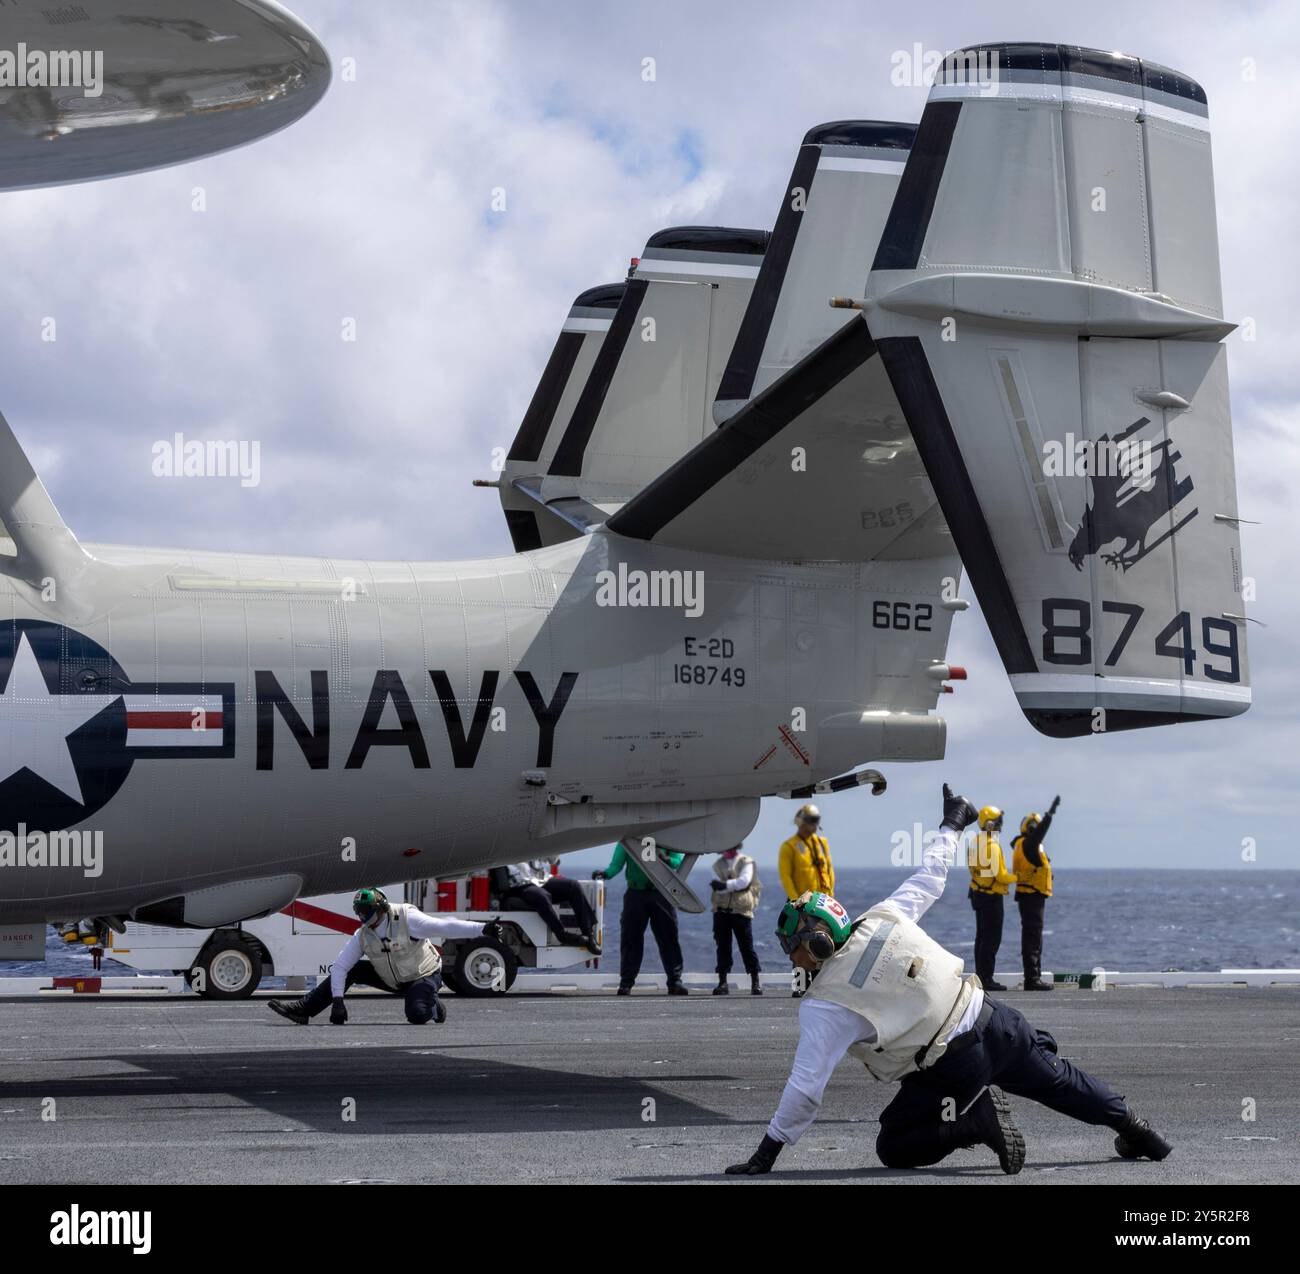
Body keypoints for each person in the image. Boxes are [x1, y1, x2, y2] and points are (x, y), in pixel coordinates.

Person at [724, 785, 1172, 1177]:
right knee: (1062, 1081)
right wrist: (954, 820)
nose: (792, 957)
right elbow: (933, 874)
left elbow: (806, 1088)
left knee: (893, 1145)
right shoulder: (885, 916)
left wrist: (767, 1153)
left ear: (817, 943)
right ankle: (1137, 1130)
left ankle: (971, 1122)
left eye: (793, 946)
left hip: (953, 1066)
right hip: (997, 1022)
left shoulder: (826, 1004)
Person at [267, 887, 500, 1025]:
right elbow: (339, 967)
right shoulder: (363, 934)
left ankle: (435, 1006)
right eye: (359, 912)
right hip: (393, 978)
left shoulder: (408, 919)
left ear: (381, 909)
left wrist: (481, 929)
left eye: (366, 912)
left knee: (417, 1016)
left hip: (422, 975)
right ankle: (304, 1009)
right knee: (354, 969)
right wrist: (338, 1002)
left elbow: (444, 927)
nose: (362, 917)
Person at [593, 841, 687, 995]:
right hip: (636, 893)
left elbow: (677, 861)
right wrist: (606, 874)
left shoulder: (665, 837)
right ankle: (626, 983)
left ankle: (675, 981)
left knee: (668, 939)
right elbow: (616, 864)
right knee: (631, 939)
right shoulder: (629, 839)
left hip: (661, 893)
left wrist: (668, 860)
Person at [496, 859, 601, 954]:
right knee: (542, 896)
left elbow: (553, 859)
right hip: (519, 885)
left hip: (541, 880)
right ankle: (562, 935)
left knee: (574, 887)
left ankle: (589, 935)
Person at [1014, 796, 1061, 992]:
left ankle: (1034, 976)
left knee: (1033, 937)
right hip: (1031, 897)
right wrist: (1050, 813)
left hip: (1032, 895)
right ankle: (1032, 978)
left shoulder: (1026, 845)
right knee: (1032, 938)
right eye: (1032, 825)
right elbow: (1039, 834)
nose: (1035, 828)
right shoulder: (1028, 844)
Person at [967, 804, 1014, 991]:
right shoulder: (992, 846)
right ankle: (986, 979)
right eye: (998, 822)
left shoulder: (975, 842)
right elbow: (1001, 876)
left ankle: (981, 976)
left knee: (981, 937)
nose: (1001, 825)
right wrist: (1023, 877)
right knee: (991, 939)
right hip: (991, 897)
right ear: (990, 824)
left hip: (977, 894)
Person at [710, 845, 763, 996]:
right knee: (722, 947)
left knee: (746, 947)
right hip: (721, 911)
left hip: (741, 911)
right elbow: (716, 885)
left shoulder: (746, 862)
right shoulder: (717, 864)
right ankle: (722, 982)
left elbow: (744, 882)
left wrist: (725, 885)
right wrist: (732, 886)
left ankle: (755, 981)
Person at [778, 804, 834, 900]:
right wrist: (795, 901)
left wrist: (830, 897)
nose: (815, 824)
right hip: (804, 903)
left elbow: (829, 871)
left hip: (824, 901)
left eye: (816, 820)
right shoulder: (789, 847)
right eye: (812, 820)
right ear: (801, 822)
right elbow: (786, 878)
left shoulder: (822, 843)